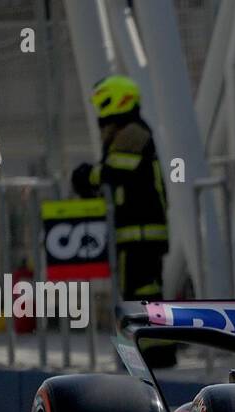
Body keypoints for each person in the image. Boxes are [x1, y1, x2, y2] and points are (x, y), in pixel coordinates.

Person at [71, 75, 169, 304]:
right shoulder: (127, 132)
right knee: (139, 292)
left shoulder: (132, 134)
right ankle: (148, 338)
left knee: (141, 294)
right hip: (137, 234)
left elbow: (112, 173)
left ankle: (150, 339)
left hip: (140, 234)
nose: (99, 111)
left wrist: (85, 175)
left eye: (102, 102)